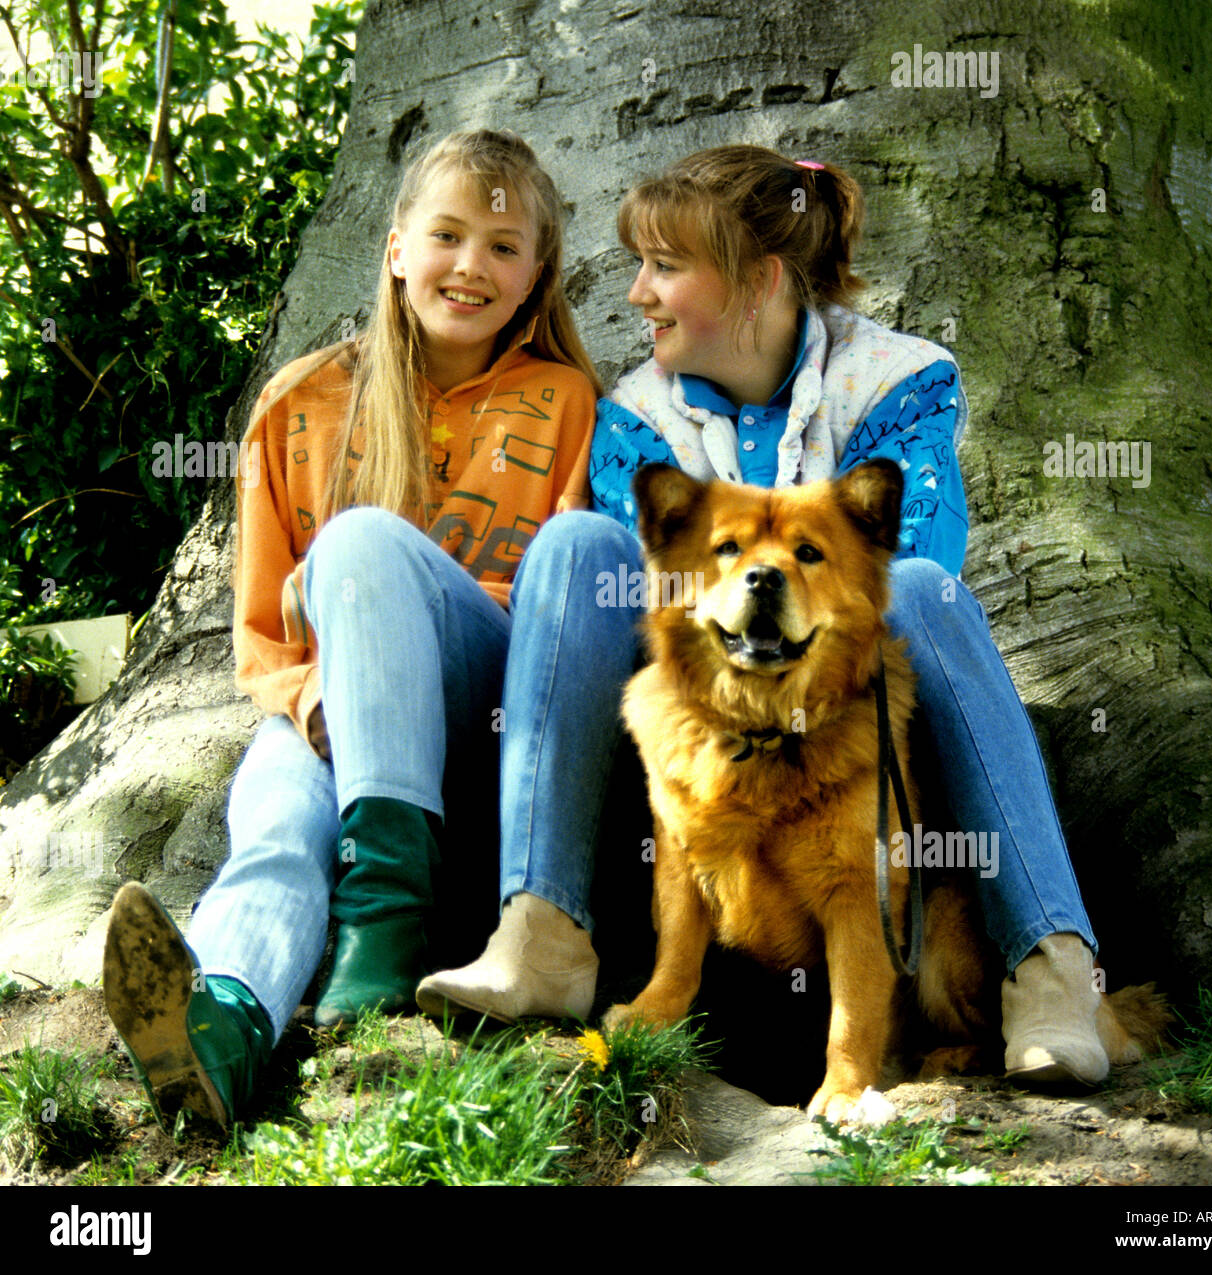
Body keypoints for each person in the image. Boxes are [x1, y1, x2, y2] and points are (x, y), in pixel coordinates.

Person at [434, 144, 1114, 1089]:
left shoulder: (897, 381)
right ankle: (542, 928)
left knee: (919, 584)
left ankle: (1049, 966)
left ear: (757, 282)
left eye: (665, 266)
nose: (636, 292)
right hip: (715, 766)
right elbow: (660, 626)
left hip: (863, 744)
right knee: (574, 549)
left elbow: (904, 571)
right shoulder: (634, 415)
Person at [102, 129, 627, 1128]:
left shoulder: (570, 407)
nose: (472, 264)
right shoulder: (300, 407)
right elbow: (263, 638)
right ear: (395, 250)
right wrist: (320, 705)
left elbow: (565, 624)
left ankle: (381, 935)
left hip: (490, 745)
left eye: (505, 248)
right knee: (275, 794)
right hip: (336, 746)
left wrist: (386, 635)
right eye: (447, 235)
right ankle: (223, 1019)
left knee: (360, 546)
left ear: (535, 280)